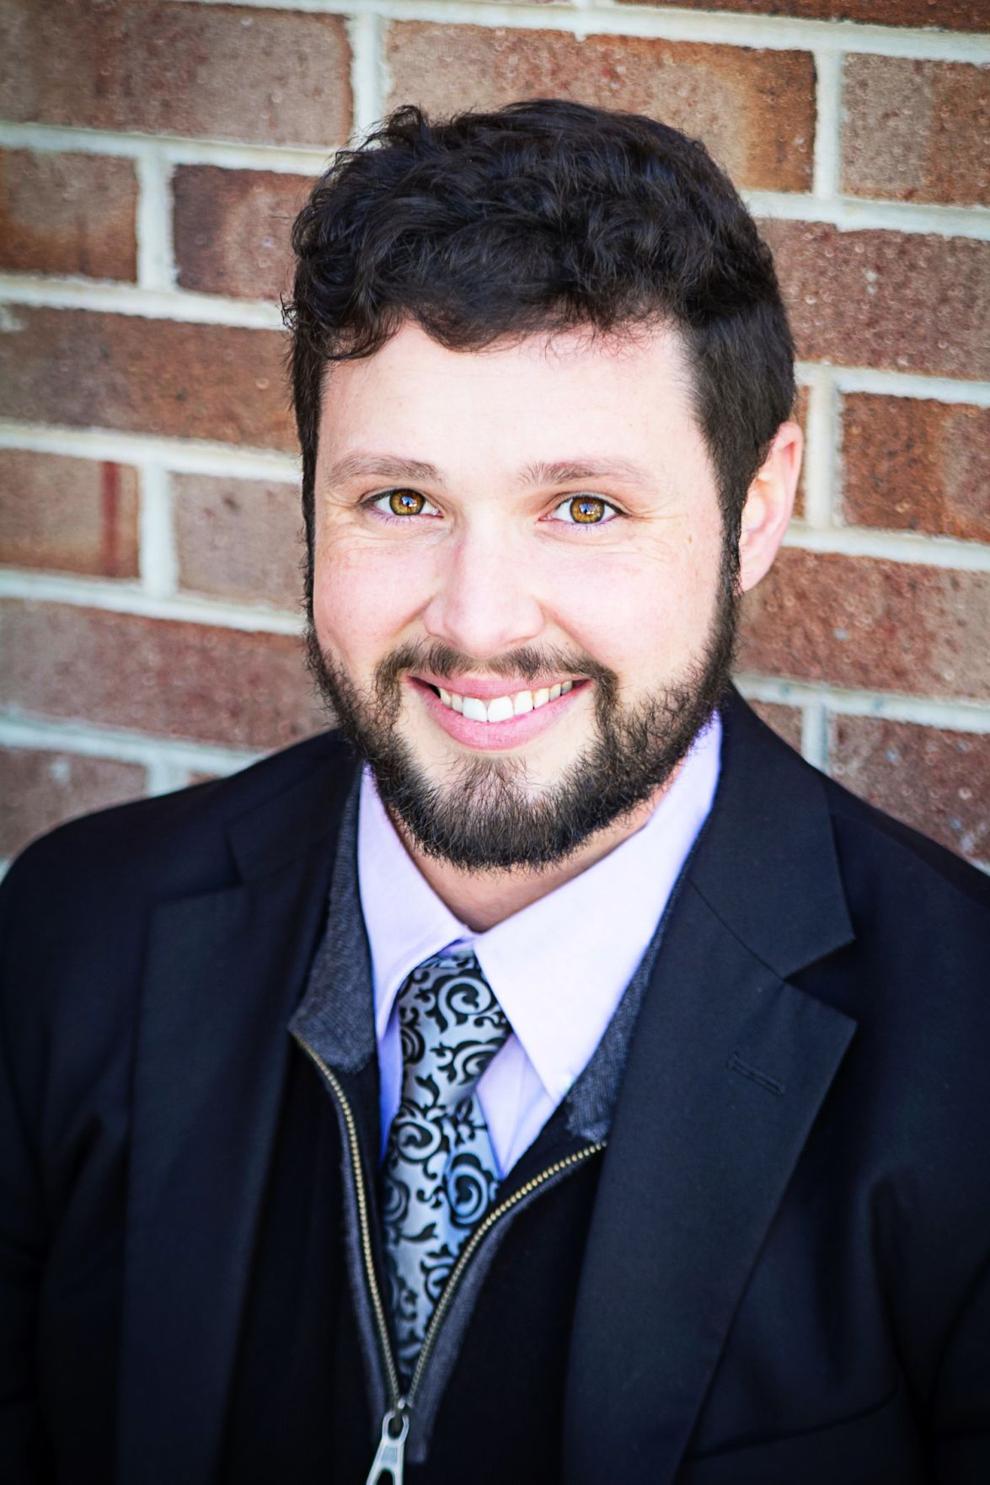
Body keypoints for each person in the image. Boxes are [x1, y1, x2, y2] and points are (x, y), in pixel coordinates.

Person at [1, 100, 988, 1485]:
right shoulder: (71, 935)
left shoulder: (963, 1052)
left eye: (581, 506)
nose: (475, 620)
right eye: (398, 500)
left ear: (755, 507)